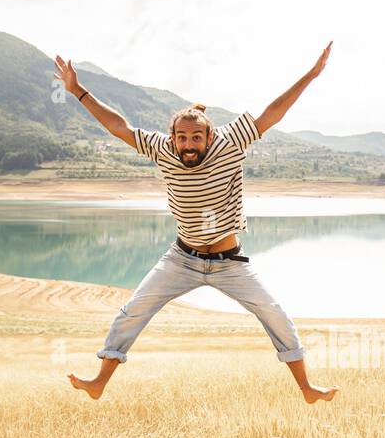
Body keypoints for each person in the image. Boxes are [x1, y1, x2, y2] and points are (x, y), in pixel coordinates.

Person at [53, 43, 338, 403]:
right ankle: (99, 382)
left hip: (228, 262)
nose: (189, 145)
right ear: (173, 138)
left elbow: (273, 113)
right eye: (183, 138)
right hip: (182, 259)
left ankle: (307, 389)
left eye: (196, 138)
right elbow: (120, 127)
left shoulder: (231, 142)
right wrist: (77, 91)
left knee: (274, 314)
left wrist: (310, 76)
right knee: (133, 311)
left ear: (209, 137)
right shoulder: (162, 149)